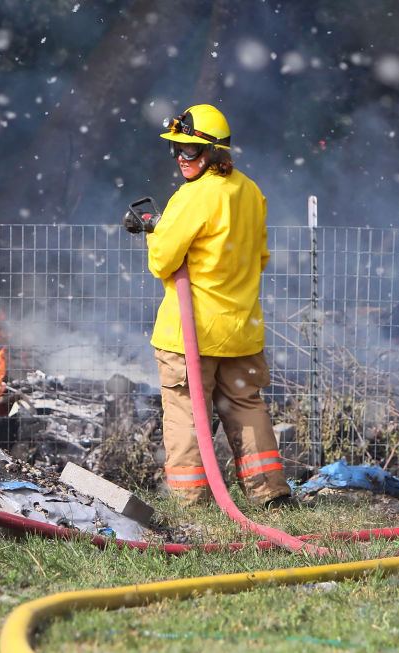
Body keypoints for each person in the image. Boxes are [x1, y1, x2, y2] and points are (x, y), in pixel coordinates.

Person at [125, 104, 294, 510]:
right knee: (246, 407)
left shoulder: (192, 197)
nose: (182, 160)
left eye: (191, 152)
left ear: (215, 153)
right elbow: (261, 257)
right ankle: (270, 493)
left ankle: (190, 499)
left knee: (185, 414)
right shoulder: (251, 191)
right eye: (177, 151)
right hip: (241, 329)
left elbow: (162, 261)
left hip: (190, 333)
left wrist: (153, 229)